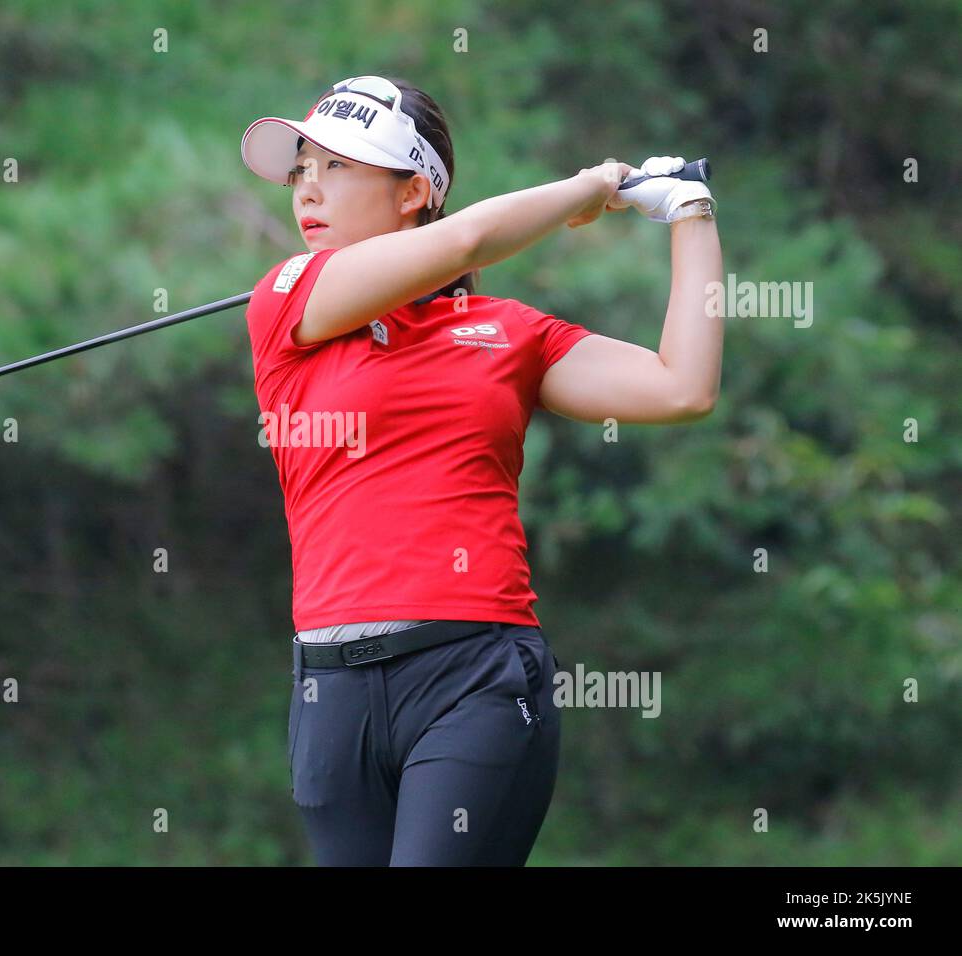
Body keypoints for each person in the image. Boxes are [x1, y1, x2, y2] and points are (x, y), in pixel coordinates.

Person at [239, 75, 722, 866]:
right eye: (301, 171)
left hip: (473, 676)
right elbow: (463, 244)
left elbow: (681, 388)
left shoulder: (506, 334)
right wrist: (587, 188)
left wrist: (690, 214)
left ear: (413, 191)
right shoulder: (288, 301)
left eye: (339, 167)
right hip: (330, 691)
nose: (308, 190)